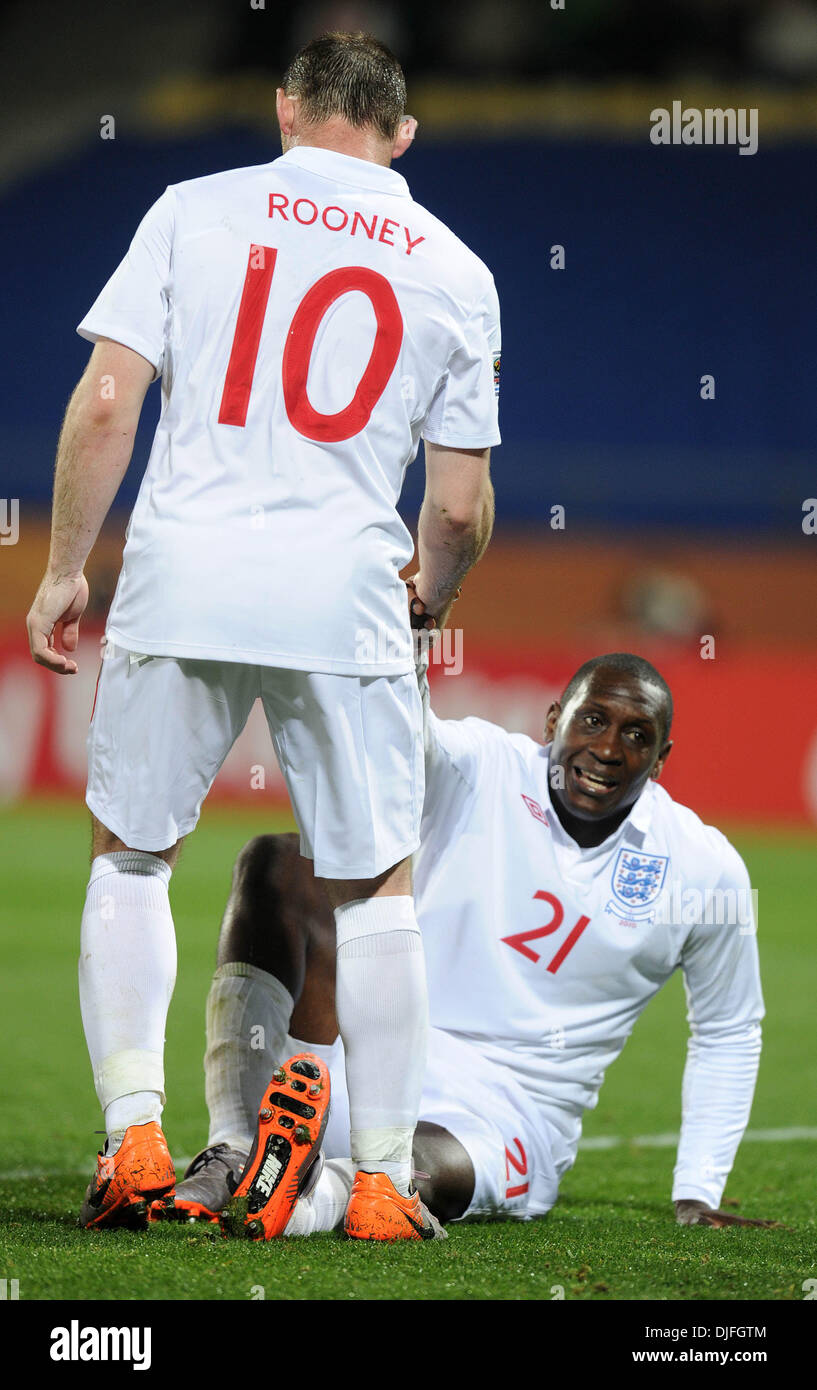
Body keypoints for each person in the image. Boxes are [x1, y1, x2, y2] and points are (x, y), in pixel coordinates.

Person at [25, 33, 499, 1240]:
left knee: (132, 855)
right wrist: (428, 592)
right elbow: (454, 504)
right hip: (342, 595)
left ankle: (134, 1137)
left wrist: (65, 568)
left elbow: (108, 400)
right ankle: (383, 1182)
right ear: (401, 133)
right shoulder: (454, 265)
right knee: (375, 895)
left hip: (184, 579)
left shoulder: (190, 208)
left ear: (284, 107)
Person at [165, 649, 776, 1237]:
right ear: (554, 718)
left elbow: (729, 1028)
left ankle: (296, 1203)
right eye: (594, 720)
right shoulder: (483, 764)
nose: (609, 749)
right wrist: (406, 646)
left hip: (506, 1118)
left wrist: (698, 1189)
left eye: (637, 735)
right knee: (277, 859)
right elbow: (407, 735)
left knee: (419, 1170)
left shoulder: (701, 866)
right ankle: (238, 1147)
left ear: (661, 757)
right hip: (371, 1061)